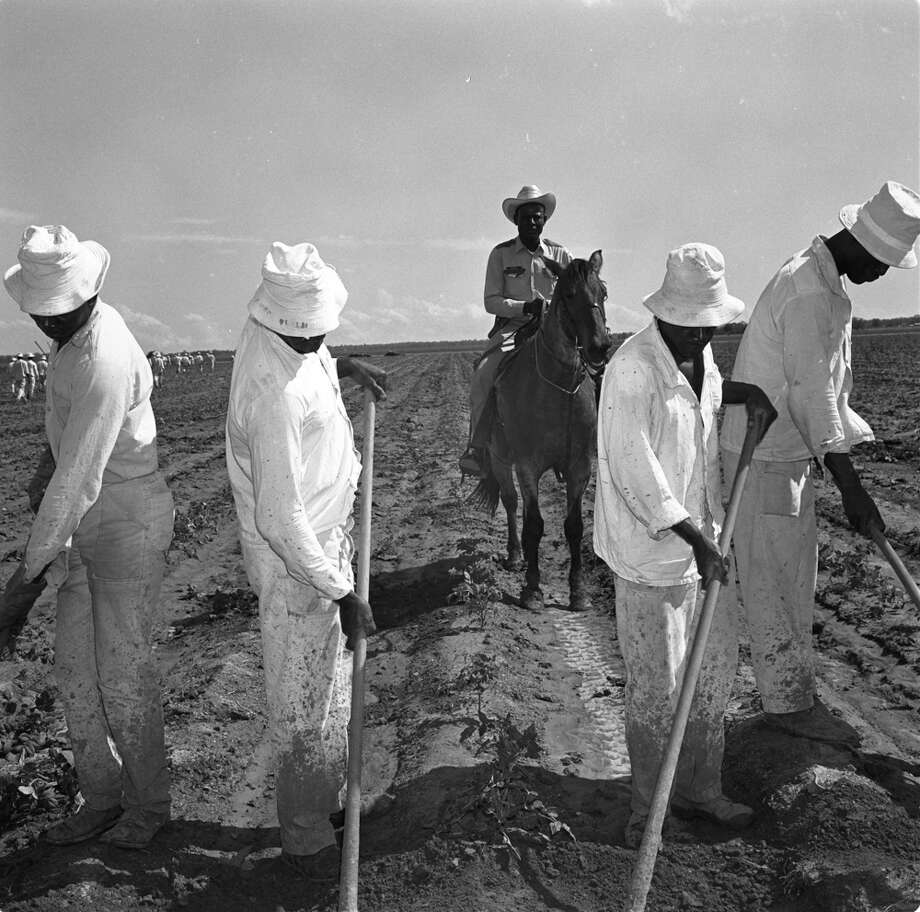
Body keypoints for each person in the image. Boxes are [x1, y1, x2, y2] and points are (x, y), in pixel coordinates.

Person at [721, 181, 920, 743]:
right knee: (773, 579)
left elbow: (828, 390)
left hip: (787, 453)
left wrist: (846, 458)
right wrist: (852, 488)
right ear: (863, 244)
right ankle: (788, 710)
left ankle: (791, 696)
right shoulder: (808, 291)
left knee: (794, 574)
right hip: (763, 457)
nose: (883, 276)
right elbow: (811, 394)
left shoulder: (823, 280)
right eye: (885, 264)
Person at [594, 243, 776, 849]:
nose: (702, 336)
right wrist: (694, 536)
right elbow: (633, 468)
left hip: (705, 548)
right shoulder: (632, 369)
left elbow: (709, 409)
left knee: (713, 675)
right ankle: (648, 813)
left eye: (710, 326)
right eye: (692, 326)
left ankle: (700, 789)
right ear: (665, 313)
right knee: (656, 687)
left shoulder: (703, 358)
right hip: (654, 557)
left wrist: (747, 395)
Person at [0, 225, 175, 849]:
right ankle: (100, 798)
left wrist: (19, 589)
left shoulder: (102, 356)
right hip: (87, 511)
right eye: (39, 314)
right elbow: (69, 457)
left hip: (126, 516)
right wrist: (48, 462)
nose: (46, 324)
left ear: (84, 294)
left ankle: (149, 806)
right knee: (77, 671)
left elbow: (78, 483)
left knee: (123, 670)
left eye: (56, 313)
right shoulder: (71, 337)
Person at [226, 240, 384, 875]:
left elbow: (310, 354)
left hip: (323, 544)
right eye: (310, 332)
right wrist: (342, 593)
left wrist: (343, 367)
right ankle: (305, 835)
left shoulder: (289, 339)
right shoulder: (273, 395)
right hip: (297, 560)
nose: (317, 336)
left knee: (329, 687)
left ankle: (331, 802)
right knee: (300, 699)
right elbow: (279, 520)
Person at [459, 185, 572, 477]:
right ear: (516, 221)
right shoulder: (500, 255)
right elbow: (491, 301)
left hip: (554, 331)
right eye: (526, 217)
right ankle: (477, 447)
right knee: (484, 374)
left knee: (588, 372)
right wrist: (525, 308)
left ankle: (585, 442)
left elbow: (573, 294)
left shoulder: (561, 254)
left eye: (537, 217)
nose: (532, 222)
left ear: (544, 220)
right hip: (513, 330)